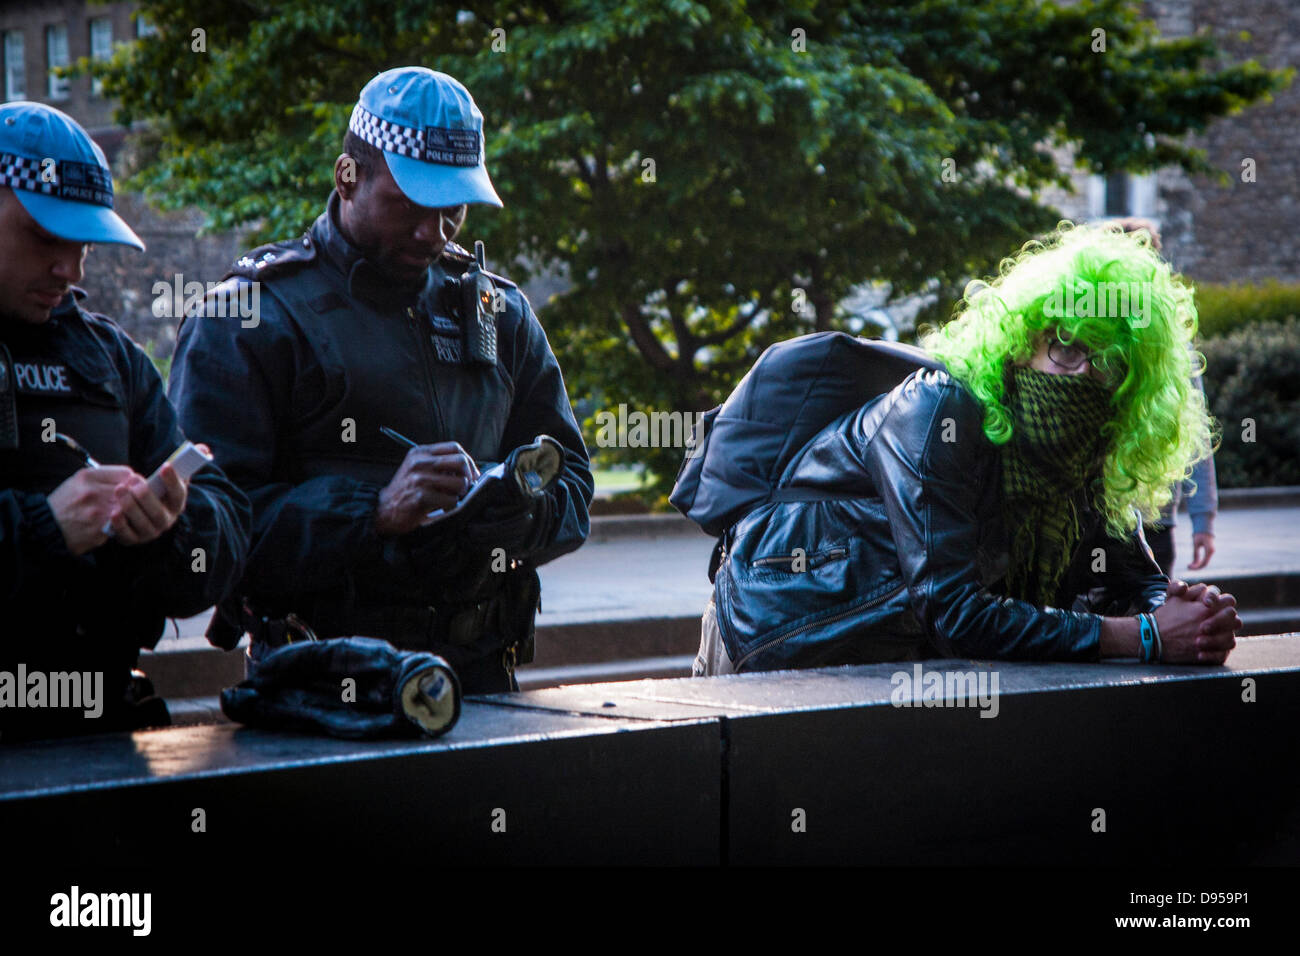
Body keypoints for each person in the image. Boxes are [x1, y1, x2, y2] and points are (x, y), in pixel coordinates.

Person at [170, 67, 593, 693]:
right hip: (322, 686)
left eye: (452, 211)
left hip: (479, 681)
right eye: (408, 207)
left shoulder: (498, 313)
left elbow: (575, 490)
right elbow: (206, 532)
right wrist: (374, 513)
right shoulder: (251, 315)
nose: (433, 233)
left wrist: (507, 514)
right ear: (348, 177)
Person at [694, 224, 1241, 675]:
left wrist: (1186, 613)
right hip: (778, 637)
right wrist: (1144, 637)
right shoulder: (937, 410)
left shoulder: (1082, 450)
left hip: (895, 660)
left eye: (1106, 364)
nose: (1079, 375)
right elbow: (953, 612)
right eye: (1067, 347)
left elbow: (1128, 572)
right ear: (1025, 338)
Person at [0, 103, 250, 738]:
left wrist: (170, 526)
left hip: (104, 728)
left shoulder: (111, 360)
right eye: (44, 238)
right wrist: (41, 530)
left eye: (82, 245)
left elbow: (224, 533)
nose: (71, 270)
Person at [1111, 218, 1218, 575]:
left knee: (1154, 619)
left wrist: (1203, 519)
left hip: (1155, 518)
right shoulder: (1088, 334)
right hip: (1100, 516)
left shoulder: (1171, 336)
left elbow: (1195, 428)